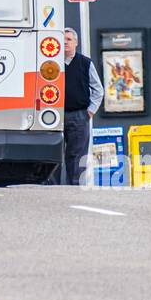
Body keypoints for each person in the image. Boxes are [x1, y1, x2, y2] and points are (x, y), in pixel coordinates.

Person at [60, 27, 104, 185]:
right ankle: (51, 191)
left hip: (79, 116)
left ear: (76, 42)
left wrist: (90, 111)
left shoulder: (85, 63)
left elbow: (98, 90)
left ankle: (75, 189)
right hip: (55, 116)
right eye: (62, 39)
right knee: (55, 155)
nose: (65, 42)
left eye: (69, 40)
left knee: (77, 157)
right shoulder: (51, 64)